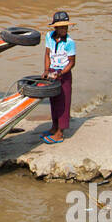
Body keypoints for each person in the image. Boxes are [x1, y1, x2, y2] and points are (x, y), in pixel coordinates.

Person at [40, 12, 75, 144]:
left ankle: (60, 133)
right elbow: (47, 54)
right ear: (55, 28)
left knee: (63, 103)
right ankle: (54, 127)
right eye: (61, 27)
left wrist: (61, 73)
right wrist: (46, 70)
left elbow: (72, 63)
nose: (64, 29)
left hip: (64, 74)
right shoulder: (49, 36)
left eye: (66, 27)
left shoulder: (70, 43)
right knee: (53, 101)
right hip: (52, 72)